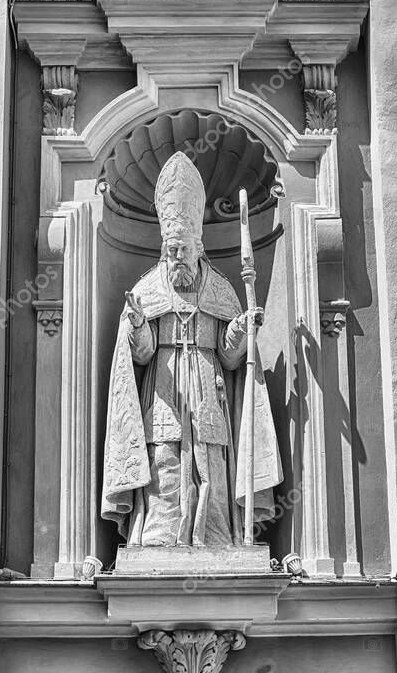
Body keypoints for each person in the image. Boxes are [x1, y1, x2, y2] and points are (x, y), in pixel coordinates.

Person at [102, 151, 282, 547]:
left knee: (211, 463)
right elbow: (142, 355)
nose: (176, 256)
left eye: (182, 248)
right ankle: (159, 538)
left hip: (208, 385)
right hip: (163, 390)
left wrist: (240, 328)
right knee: (164, 461)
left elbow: (232, 357)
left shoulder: (221, 289)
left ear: (199, 245)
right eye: (170, 250)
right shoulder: (148, 290)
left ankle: (215, 537)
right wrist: (135, 325)